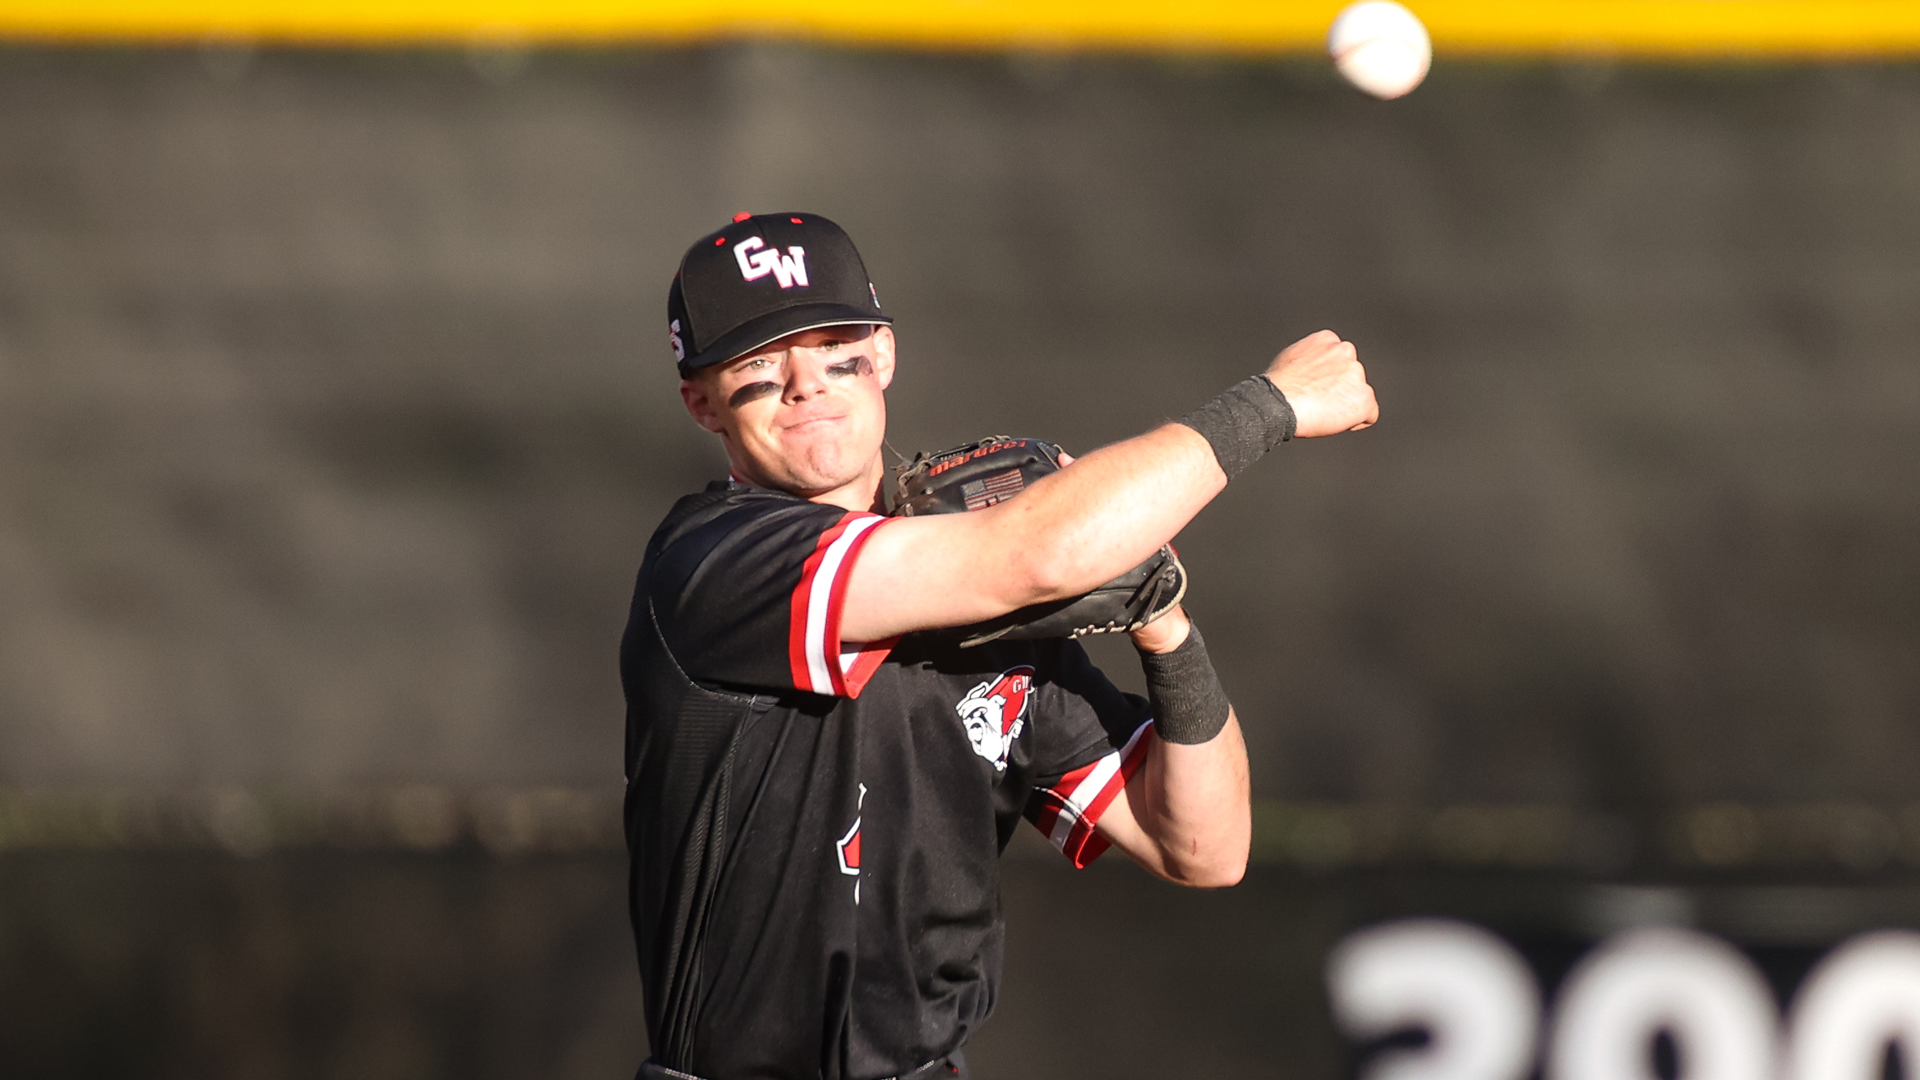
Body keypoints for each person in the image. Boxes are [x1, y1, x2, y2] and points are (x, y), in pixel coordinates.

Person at [622, 212, 1377, 1080]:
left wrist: (1164, 622)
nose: (805, 385)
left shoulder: (994, 617)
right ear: (701, 401)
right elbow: (1037, 554)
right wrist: (1268, 406)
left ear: (884, 354)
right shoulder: (714, 564)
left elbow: (1205, 848)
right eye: (759, 365)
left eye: (834, 350)